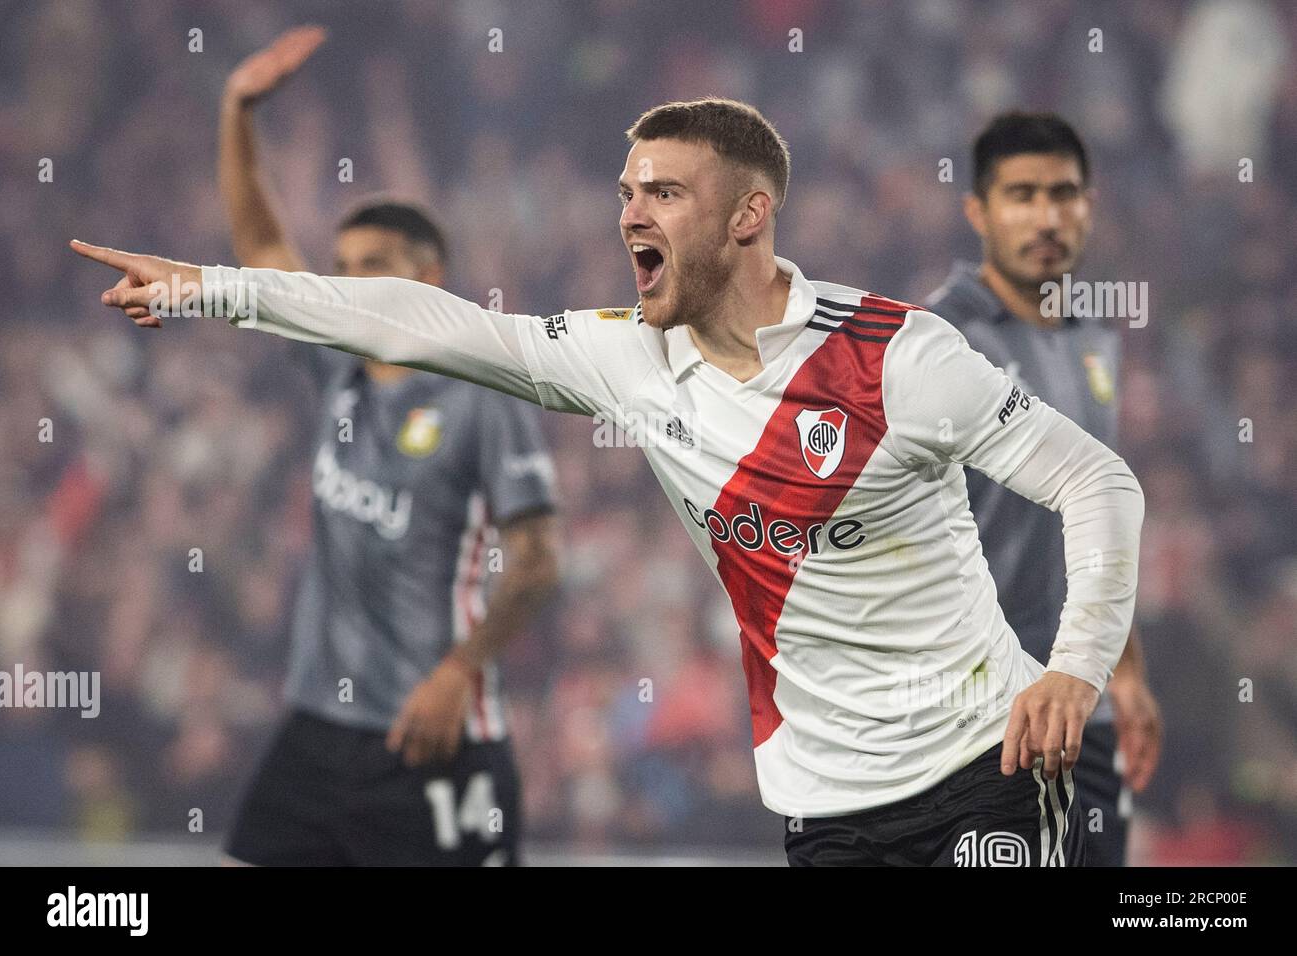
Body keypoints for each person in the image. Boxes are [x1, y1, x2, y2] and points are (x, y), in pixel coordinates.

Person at [73, 96, 1144, 867]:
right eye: (626, 191)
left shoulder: (897, 356)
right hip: (823, 802)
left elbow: (1100, 483)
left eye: (665, 193)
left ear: (747, 215)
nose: (631, 214)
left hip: (979, 763)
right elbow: (427, 320)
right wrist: (211, 287)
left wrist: (1076, 669)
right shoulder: (626, 353)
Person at [215, 27, 561, 866]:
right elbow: (264, 252)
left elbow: (540, 559)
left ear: (428, 275)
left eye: (370, 264)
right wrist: (236, 113)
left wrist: (459, 671)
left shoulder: (484, 392)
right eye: (340, 265)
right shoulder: (336, 368)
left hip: (434, 736)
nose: (344, 281)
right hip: (316, 732)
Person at [925, 112, 1163, 866]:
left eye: (1064, 194)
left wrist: (1126, 673)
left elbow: (1097, 525)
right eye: (1021, 195)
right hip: (980, 721)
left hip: (1084, 711)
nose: (1047, 217)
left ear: (1089, 204)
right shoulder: (934, 340)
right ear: (978, 212)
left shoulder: (1095, 340)